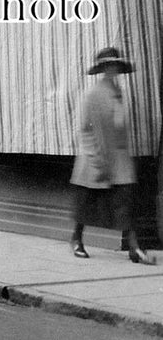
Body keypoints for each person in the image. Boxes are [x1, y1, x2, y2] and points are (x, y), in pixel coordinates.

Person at [70, 47, 155, 265]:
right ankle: (77, 238)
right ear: (101, 69)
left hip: (119, 158)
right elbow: (85, 129)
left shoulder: (119, 94)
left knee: (126, 202)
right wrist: (96, 159)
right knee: (87, 202)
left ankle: (135, 248)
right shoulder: (92, 95)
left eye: (115, 66)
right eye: (108, 66)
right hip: (95, 158)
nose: (112, 69)